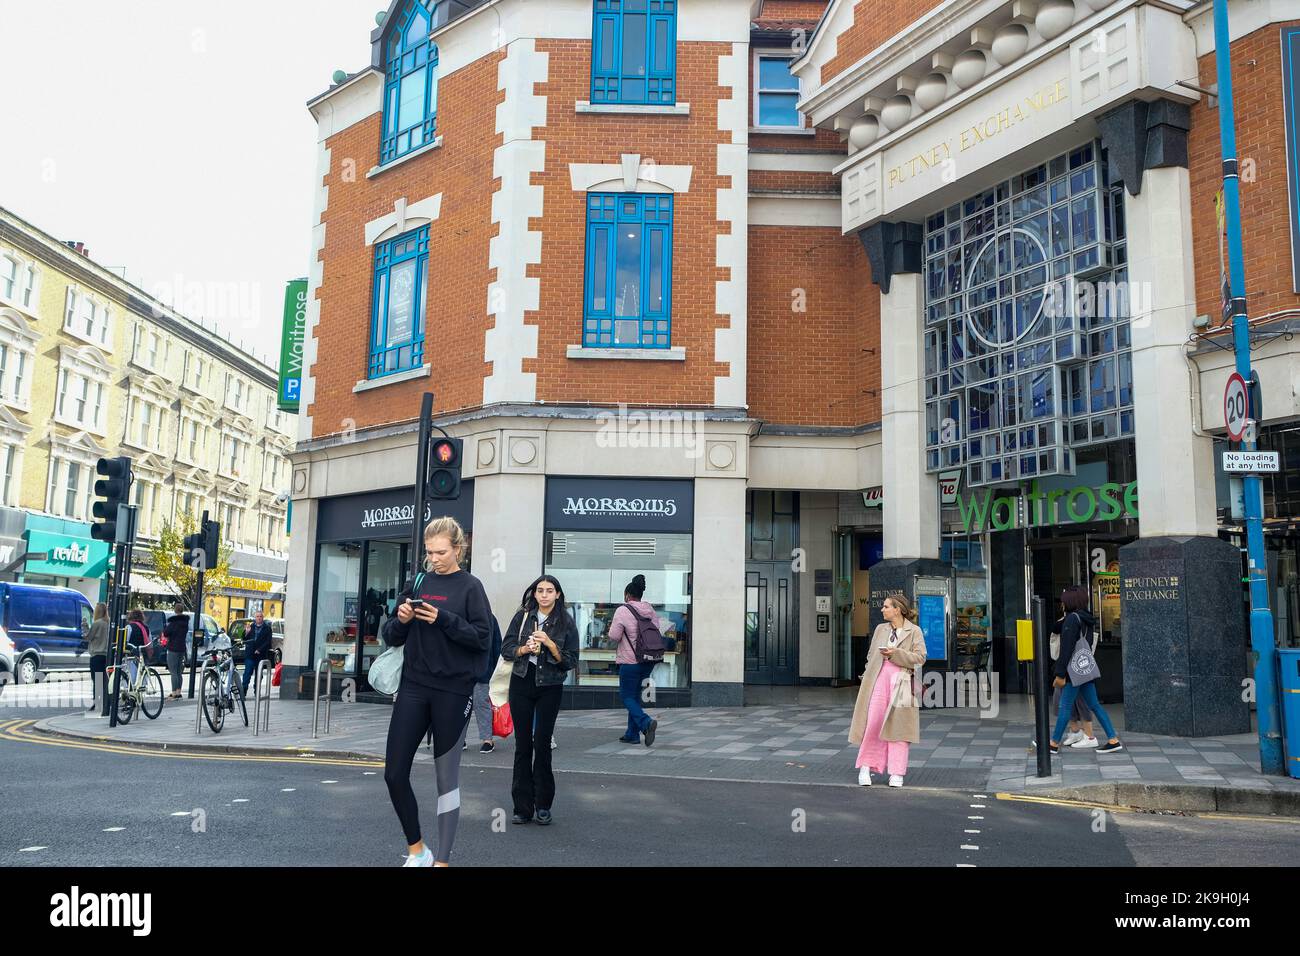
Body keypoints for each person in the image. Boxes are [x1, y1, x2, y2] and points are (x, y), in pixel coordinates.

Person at [382, 516, 492, 867]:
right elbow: (390, 636)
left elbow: (482, 640)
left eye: (442, 552)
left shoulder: (471, 587)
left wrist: (441, 618)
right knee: (394, 773)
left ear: (458, 548)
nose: (435, 559)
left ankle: (442, 861)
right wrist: (400, 619)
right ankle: (417, 849)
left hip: (453, 691)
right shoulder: (417, 581)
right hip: (413, 686)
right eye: (430, 552)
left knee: (446, 780)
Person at [501, 574, 579, 826]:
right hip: (522, 681)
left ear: (557, 594)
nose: (544, 594)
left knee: (542, 745)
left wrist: (550, 645)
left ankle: (543, 804)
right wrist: (525, 648)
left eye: (549, 590)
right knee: (522, 745)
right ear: (534, 593)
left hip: (550, 685)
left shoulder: (565, 621)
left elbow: (570, 661)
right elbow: (506, 648)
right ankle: (522, 806)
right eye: (540, 590)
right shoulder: (522, 616)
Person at [848, 593, 927, 788]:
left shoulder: (914, 631)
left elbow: (920, 657)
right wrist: (867, 673)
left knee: (898, 729)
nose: (882, 609)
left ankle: (896, 773)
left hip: (901, 683)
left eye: (886, 606)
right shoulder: (880, 629)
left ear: (897, 609)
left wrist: (896, 654)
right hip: (877, 681)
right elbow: (870, 655)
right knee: (872, 723)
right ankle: (866, 767)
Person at [1049, 586, 1123, 754]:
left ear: (1069, 602)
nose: (1061, 603)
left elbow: (1066, 649)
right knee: (1094, 705)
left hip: (1073, 671)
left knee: (1065, 706)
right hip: (1085, 668)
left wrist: (1060, 674)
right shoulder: (1086, 619)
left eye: (1063, 600)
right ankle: (1113, 739)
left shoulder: (1072, 620)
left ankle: (1053, 743)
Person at [607, 573, 660, 746]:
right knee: (635, 697)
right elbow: (657, 629)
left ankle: (646, 723)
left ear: (628, 595)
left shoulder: (623, 610)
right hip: (648, 660)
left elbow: (614, 636)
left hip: (630, 661)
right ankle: (632, 734)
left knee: (627, 696)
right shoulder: (650, 609)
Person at [468, 617, 503, 753]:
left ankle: (487, 739)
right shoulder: (459, 614)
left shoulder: (490, 619)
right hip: (459, 670)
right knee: (458, 705)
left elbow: (497, 645)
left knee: (481, 704)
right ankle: (459, 740)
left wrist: (496, 672)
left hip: (483, 670)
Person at [240, 611, 273, 698]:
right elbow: (244, 639)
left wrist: (259, 649)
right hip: (250, 654)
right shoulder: (250, 626)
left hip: (260, 655)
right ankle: (244, 691)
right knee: (247, 673)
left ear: (263, 618)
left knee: (259, 675)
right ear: (255, 618)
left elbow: (268, 642)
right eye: (257, 616)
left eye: (260, 616)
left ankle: (256, 691)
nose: (259, 618)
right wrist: (246, 632)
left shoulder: (267, 628)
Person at [161, 602, 189, 700]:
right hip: (182, 648)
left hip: (173, 648)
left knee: (173, 671)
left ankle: (174, 694)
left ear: (175, 610)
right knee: (178, 672)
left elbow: (166, 632)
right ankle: (178, 692)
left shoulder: (174, 623)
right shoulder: (185, 622)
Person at [86, 603, 109, 713]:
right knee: (104, 680)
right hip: (106, 656)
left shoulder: (97, 623)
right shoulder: (108, 623)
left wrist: (85, 627)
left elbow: (88, 637)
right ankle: (104, 703)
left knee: (97, 681)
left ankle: (97, 704)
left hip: (96, 655)